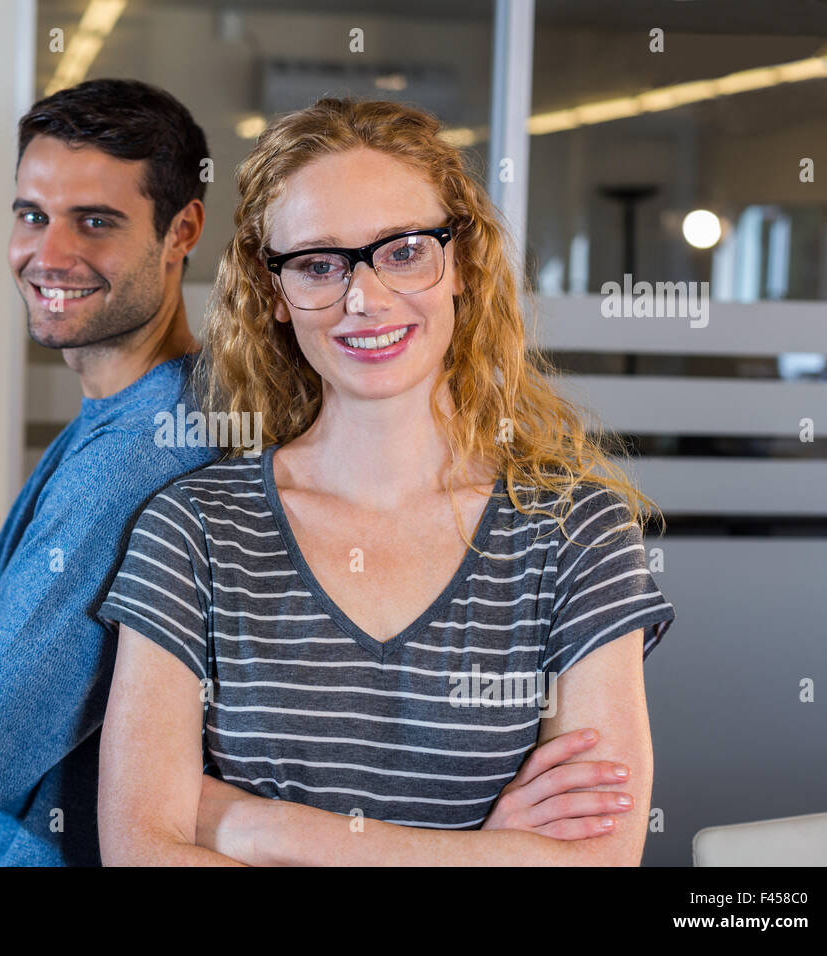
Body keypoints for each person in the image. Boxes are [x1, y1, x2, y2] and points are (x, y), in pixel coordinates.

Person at [95, 97, 677, 865]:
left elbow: (599, 862)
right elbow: (141, 854)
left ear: (461, 264)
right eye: (317, 264)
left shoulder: (576, 531)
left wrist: (255, 826)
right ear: (275, 293)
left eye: (403, 250)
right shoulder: (193, 530)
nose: (363, 297)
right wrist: (487, 852)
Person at [0, 78, 223, 866]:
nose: (49, 254)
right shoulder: (129, 411)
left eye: (96, 222)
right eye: (32, 215)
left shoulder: (142, 456)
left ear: (182, 231)